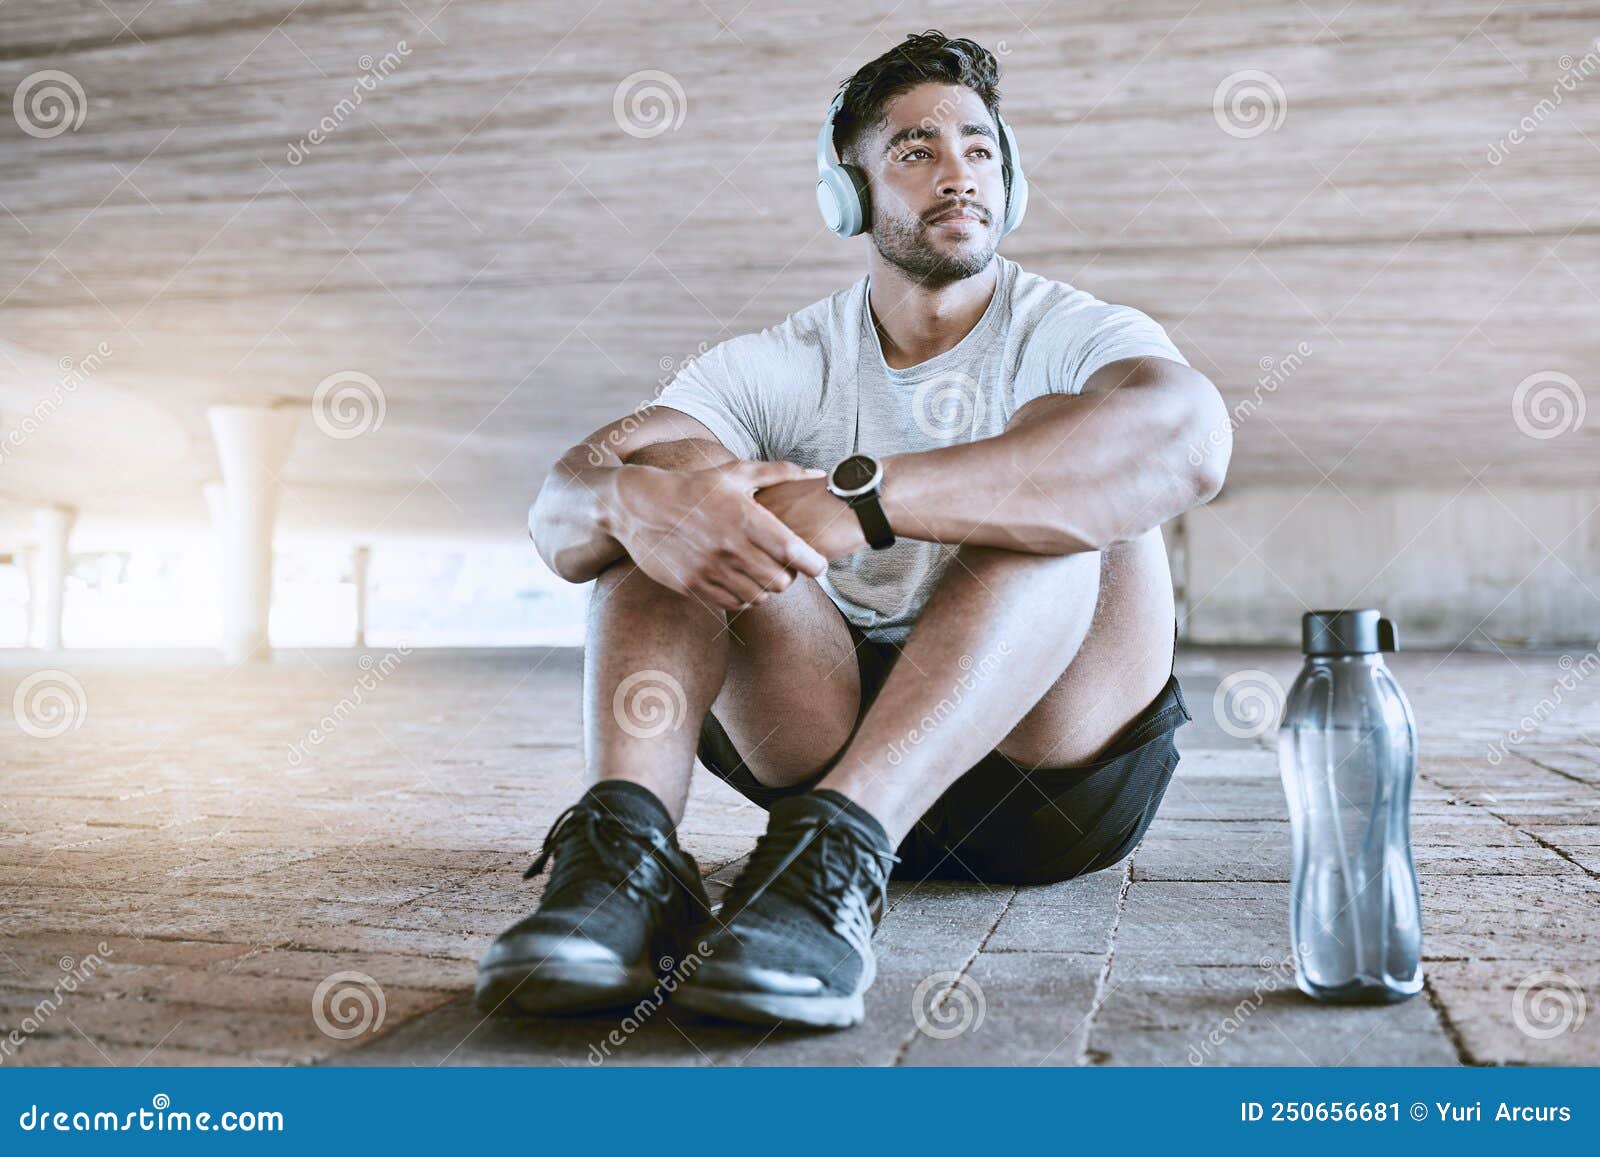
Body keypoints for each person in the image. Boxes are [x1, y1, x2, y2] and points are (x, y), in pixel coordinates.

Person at [476, 30, 1231, 1029]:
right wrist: (633, 503)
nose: (957, 173)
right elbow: (559, 513)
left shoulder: (1071, 327)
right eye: (916, 150)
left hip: (1048, 780)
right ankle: (623, 860)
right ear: (849, 193)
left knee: (1063, 467)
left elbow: (1192, 440)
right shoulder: (786, 359)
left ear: (1012, 181)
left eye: (979, 149)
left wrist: (862, 499)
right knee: (674, 488)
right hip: (820, 743)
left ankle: (842, 845)